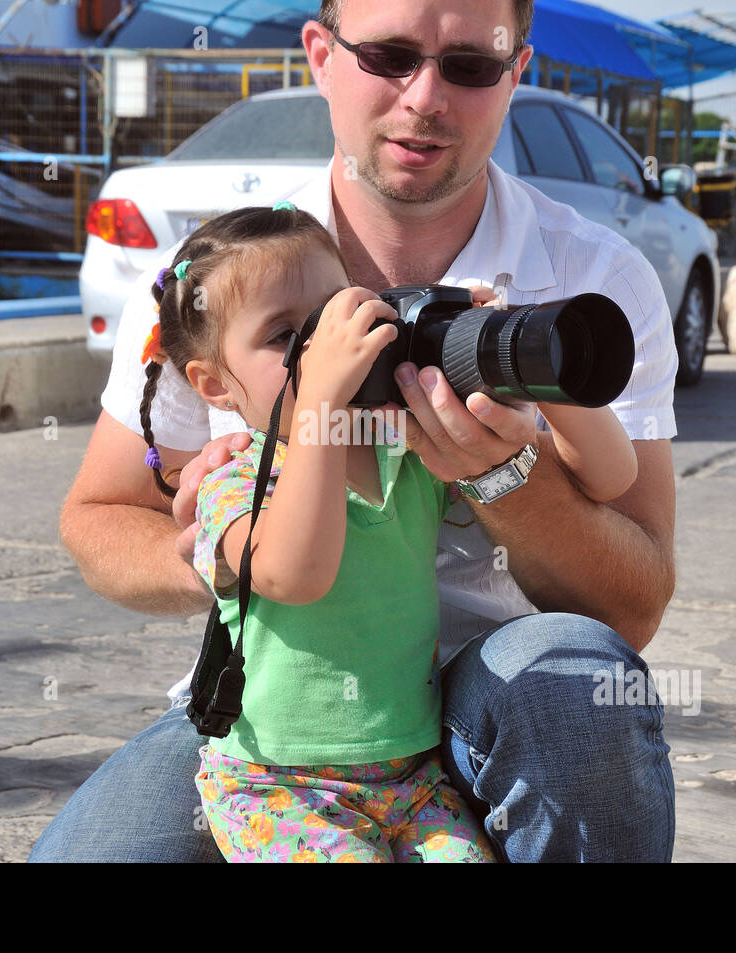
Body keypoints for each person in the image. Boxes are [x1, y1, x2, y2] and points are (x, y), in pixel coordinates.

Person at [30, 0, 678, 863]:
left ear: (517, 72)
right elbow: (99, 516)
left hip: (506, 683)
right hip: (281, 707)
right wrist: (225, 552)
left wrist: (511, 475)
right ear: (320, 56)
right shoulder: (231, 282)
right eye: (389, 55)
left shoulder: (594, 280)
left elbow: (633, 605)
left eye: (469, 66)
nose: (425, 97)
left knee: (574, 679)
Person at [137, 203, 637, 862]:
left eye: (335, 318)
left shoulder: (403, 452)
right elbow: (294, 571)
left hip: (413, 782)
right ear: (213, 384)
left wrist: (512, 362)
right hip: (281, 788)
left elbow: (611, 475)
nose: (326, 352)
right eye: (288, 337)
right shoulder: (237, 478)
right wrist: (317, 400)